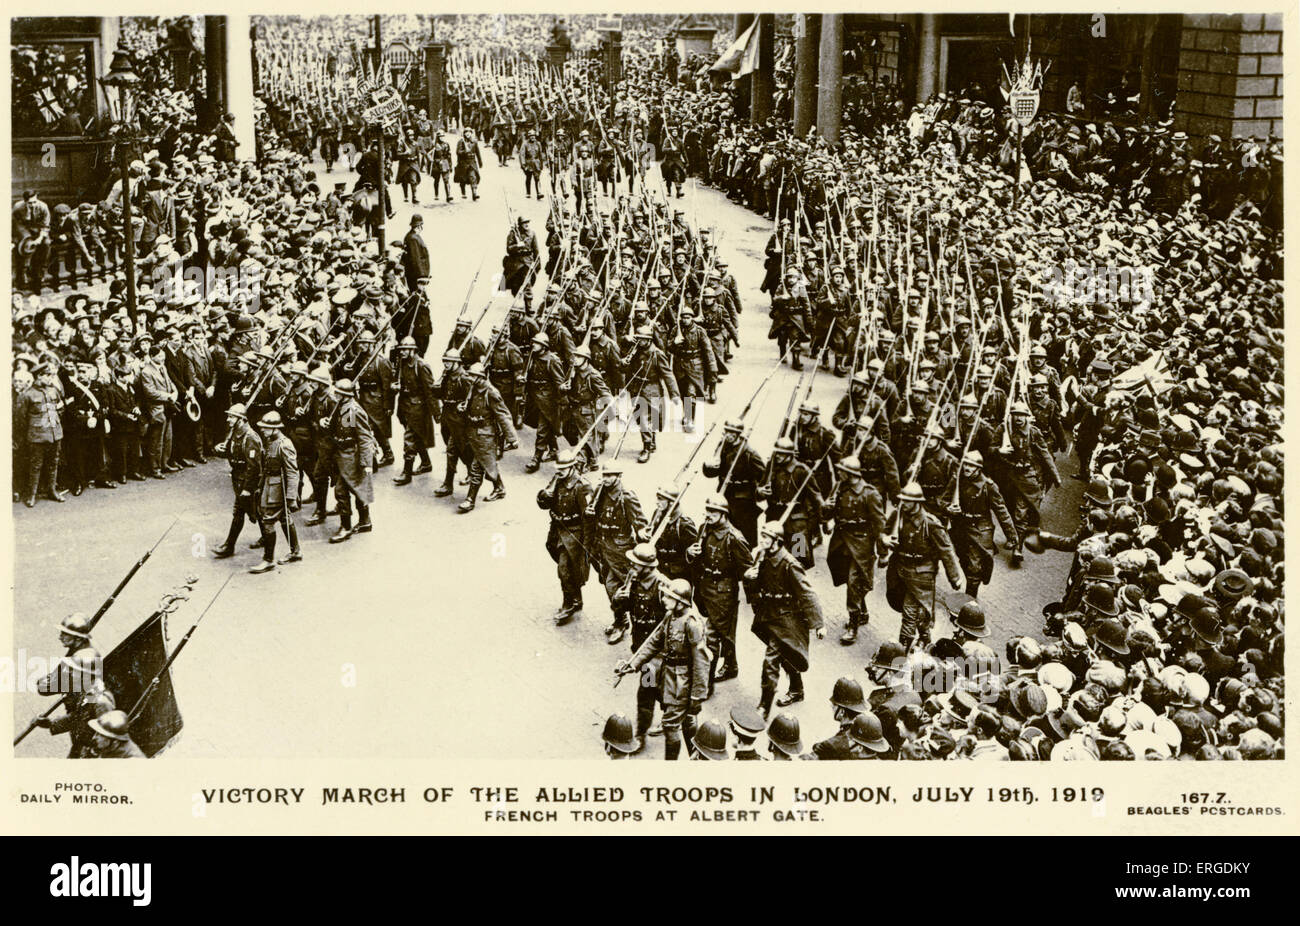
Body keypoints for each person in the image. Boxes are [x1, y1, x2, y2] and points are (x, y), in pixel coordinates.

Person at [616, 577, 711, 761]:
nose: (664, 600)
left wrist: (697, 696)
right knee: (683, 722)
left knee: (670, 724)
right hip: (667, 677)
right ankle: (697, 758)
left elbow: (702, 661)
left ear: (680, 601)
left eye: (668, 597)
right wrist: (633, 665)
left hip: (681, 682)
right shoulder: (670, 616)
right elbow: (653, 642)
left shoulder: (692, 623)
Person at [746, 520, 825, 715]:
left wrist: (819, 624)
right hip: (769, 615)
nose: (762, 540)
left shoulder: (790, 563)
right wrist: (749, 579)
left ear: (776, 541)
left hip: (787, 620)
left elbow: (807, 593)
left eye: (766, 537)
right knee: (785, 655)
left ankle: (764, 705)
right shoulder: (762, 557)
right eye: (762, 536)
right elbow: (756, 586)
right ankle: (797, 689)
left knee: (770, 661)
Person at [882, 482, 964, 652]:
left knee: (909, 613)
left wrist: (955, 577)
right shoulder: (898, 516)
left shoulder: (930, 522)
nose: (903, 503)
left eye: (908, 501)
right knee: (919, 611)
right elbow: (883, 532)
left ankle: (901, 651)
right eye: (902, 500)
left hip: (921, 574)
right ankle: (925, 637)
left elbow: (946, 550)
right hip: (899, 570)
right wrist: (884, 541)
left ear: (917, 502)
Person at [687, 493, 751, 693]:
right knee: (726, 633)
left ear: (724, 514)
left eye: (714, 512)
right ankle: (731, 666)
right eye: (707, 511)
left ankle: (707, 684)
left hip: (724, 592)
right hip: (705, 588)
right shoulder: (703, 529)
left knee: (711, 638)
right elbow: (696, 557)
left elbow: (748, 568)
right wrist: (691, 553)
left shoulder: (734, 538)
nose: (708, 515)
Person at [827, 456, 886, 645]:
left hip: (861, 544)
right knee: (848, 579)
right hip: (842, 541)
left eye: (841, 470)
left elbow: (879, 525)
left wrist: (883, 552)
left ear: (850, 473)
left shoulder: (870, 494)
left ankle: (853, 625)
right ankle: (862, 611)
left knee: (855, 582)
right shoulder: (840, 488)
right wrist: (826, 510)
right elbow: (832, 513)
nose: (838, 473)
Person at [588, 460, 648, 644]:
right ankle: (620, 620)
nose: (606, 479)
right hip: (603, 547)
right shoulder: (600, 491)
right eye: (604, 475)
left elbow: (640, 522)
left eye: (610, 475)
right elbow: (593, 512)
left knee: (620, 589)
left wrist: (641, 533)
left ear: (619, 476)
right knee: (608, 586)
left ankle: (628, 623)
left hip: (622, 551)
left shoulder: (627, 496)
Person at [944, 450, 1017, 599]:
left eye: (971, 466)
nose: (967, 468)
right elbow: (943, 499)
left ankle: (970, 601)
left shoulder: (988, 486)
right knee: (964, 559)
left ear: (978, 468)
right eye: (965, 465)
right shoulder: (957, 480)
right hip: (960, 527)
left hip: (980, 528)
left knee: (975, 568)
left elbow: (1001, 511)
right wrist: (948, 508)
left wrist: (1012, 535)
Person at [536, 449, 592, 625]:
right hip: (557, 530)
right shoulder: (557, 480)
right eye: (557, 469)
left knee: (564, 570)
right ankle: (577, 599)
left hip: (574, 533)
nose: (558, 472)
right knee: (568, 569)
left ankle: (568, 604)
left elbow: (589, 518)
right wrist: (550, 489)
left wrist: (588, 543)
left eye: (562, 469)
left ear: (572, 467)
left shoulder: (582, 486)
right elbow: (543, 504)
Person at [456, 362, 516, 513]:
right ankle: (499, 488)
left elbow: (503, 415)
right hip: (473, 433)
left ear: (479, 377)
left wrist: (512, 437)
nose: (469, 378)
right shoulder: (473, 389)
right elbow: (470, 405)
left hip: (485, 434)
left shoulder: (491, 392)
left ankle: (470, 500)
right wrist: (462, 408)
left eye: (472, 375)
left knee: (477, 467)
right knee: (487, 463)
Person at [249, 411, 301, 574]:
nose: (262, 430)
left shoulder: (284, 444)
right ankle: (295, 551)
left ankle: (268, 560)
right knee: (285, 519)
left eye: (266, 428)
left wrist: (291, 497)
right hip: (268, 485)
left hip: (278, 489)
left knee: (268, 521)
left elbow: (293, 472)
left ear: (275, 429)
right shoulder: (270, 441)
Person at [212, 403, 262, 559]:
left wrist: (248, 488)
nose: (228, 419)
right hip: (237, 477)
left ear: (241, 419)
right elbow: (231, 453)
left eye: (232, 417)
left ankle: (229, 545)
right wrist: (218, 450)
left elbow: (254, 467)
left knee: (244, 511)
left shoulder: (250, 437)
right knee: (254, 511)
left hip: (247, 479)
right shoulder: (234, 432)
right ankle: (264, 538)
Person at [327, 379, 374, 543]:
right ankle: (364, 521)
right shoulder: (341, 407)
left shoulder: (353, 411)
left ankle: (346, 527)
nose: (335, 395)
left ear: (344, 395)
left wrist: (367, 463)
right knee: (353, 488)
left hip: (351, 456)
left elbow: (365, 438)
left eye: (338, 393)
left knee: (344, 490)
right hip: (340, 453)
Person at [16, 361, 65, 507]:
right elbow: (20, 419)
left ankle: (52, 490)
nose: (50, 378)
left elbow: (61, 408)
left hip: (55, 434)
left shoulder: (53, 391)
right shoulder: (27, 395)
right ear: (39, 376)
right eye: (47, 376)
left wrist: (55, 420)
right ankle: (32, 495)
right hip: (37, 436)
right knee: (35, 465)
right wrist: (32, 431)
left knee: (53, 463)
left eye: (50, 375)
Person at [392, 337, 436, 486]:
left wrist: (437, 413)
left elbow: (430, 391)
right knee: (417, 436)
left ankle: (407, 473)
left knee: (409, 439)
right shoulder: (402, 363)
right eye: (401, 350)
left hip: (418, 409)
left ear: (413, 350)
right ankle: (426, 462)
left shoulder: (421, 365)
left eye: (405, 349)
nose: (402, 352)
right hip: (405, 406)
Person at [811, 677, 869, 760]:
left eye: (834, 705)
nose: (831, 706)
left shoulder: (830, 745)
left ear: (841, 711)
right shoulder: (869, 727)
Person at [401, 215, 430, 294]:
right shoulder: (413, 239)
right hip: (416, 275)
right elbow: (416, 259)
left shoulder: (412, 236)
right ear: (419, 226)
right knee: (417, 295)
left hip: (415, 274)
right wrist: (421, 277)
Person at [455, 129, 482, 200]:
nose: (467, 134)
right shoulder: (461, 142)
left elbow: (478, 153)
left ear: (471, 133)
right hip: (463, 163)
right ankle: (463, 192)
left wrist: (480, 162)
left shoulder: (474, 142)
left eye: (469, 132)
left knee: (473, 177)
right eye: (466, 132)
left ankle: (474, 193)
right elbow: (458, 152)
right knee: (463, 179)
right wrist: (464, 152)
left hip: (472, 162)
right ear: (464, 134)